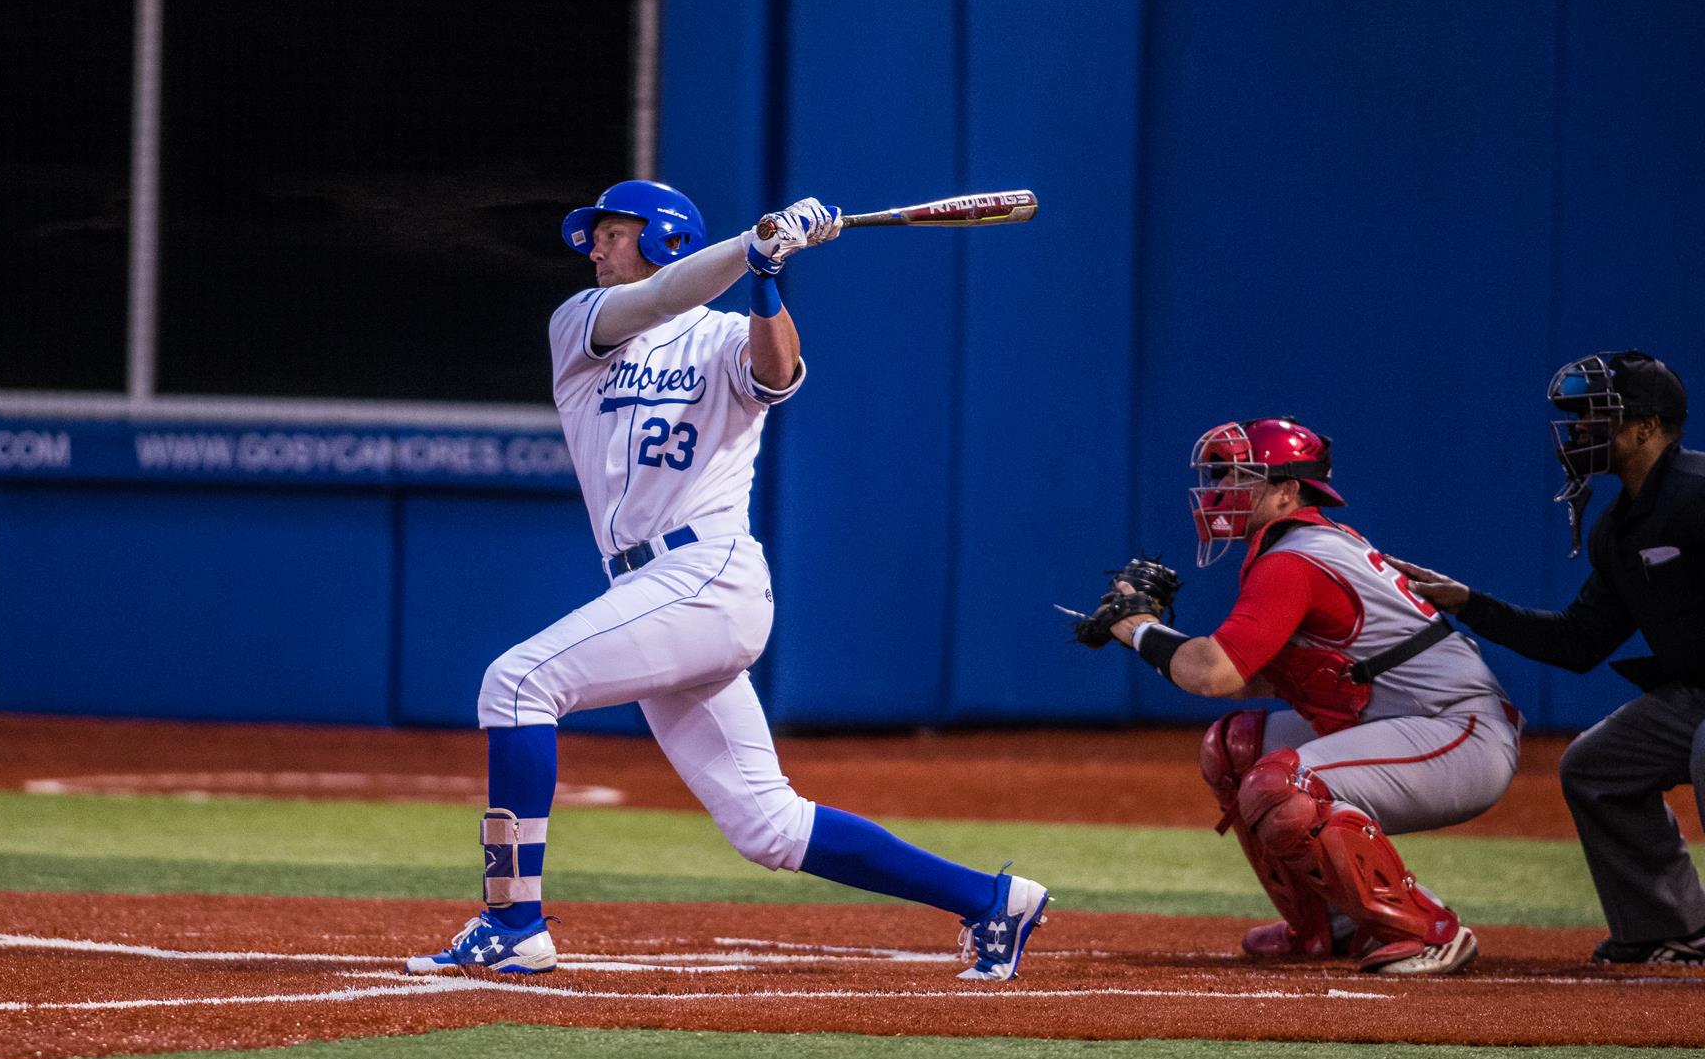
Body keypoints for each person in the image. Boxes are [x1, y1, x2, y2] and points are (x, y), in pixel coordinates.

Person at [404, 179, 1049, 981]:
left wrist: (768, 277)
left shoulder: (722, 335)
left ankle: (512, 920)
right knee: (767, 826)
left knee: (515, 684)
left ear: (665, 236)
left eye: (612, 231)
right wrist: (754, 243)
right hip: (649, 587)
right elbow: (666, 293)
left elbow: (775, 374)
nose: (594, 245)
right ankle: (995, 899)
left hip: (706, 571)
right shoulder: (579, 325)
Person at [1076, 418, 1521, 976]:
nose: (1222, 492)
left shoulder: (1293, 558)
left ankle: (1428, 929)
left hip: (1457, 732)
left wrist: (1137, 628)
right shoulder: (1305, 543)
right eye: (1222, 476)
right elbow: (1242, 677)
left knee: (1283, 784)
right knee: (1234, 748)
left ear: (1287, 491)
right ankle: (1329, 925)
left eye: (1242, 478)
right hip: (1410, 719)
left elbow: (1211, 674)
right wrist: (1146, 633)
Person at [1390, 351, 1705, 966]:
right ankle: (1670, 928)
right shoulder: (1619, 528)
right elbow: (1577, 642)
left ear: (1644, 428)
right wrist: (1470, 603)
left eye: (1596, 415)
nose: (1580, 429)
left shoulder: (1699, 493)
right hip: (1694, 694)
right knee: (1595, 767)